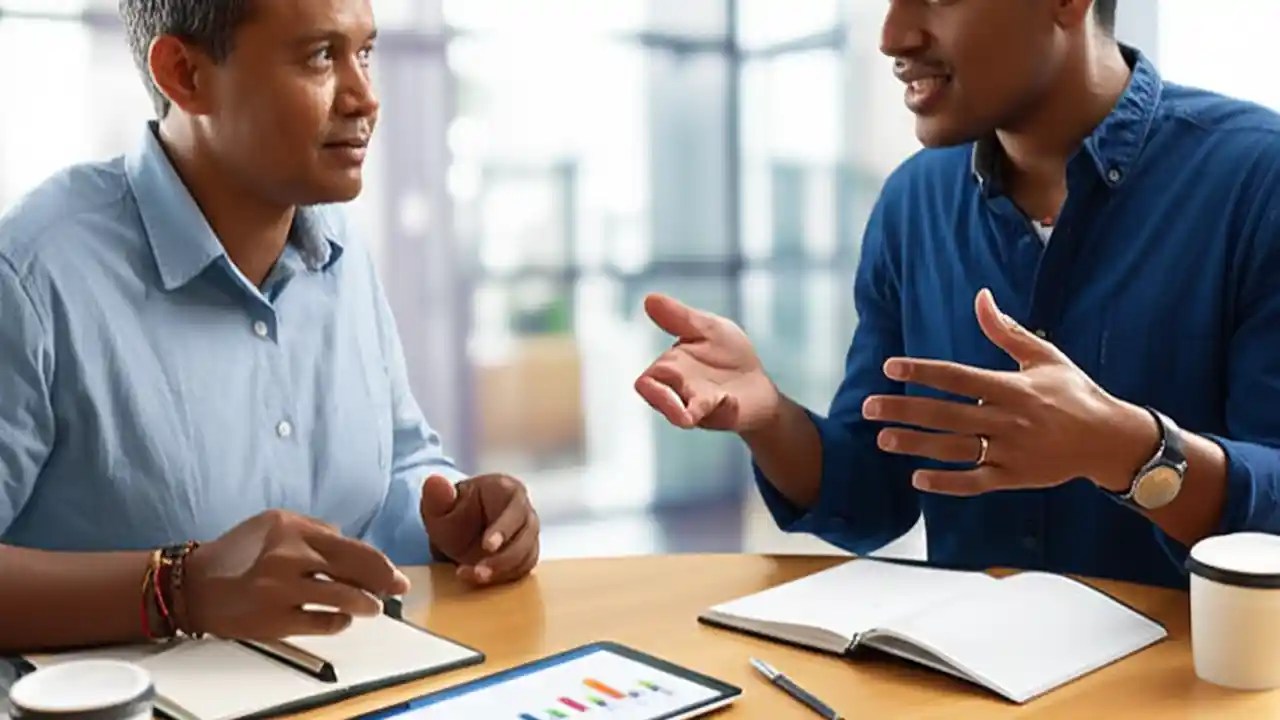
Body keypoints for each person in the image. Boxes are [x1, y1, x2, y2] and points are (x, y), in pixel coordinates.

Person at [635, 0, 1280, 589]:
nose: (893, 36)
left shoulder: (1257, 180)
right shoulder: (912, 203)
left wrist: (1130, 453)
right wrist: (769, 417)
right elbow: (871, 498)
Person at [0, 0, 540, 653]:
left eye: (364, 52)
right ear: (185, 75)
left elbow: (400, 461)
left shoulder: (340, 248)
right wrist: (179, 588)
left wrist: (452, 516)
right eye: (319, 57)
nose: (366, 97)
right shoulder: (32, 274)